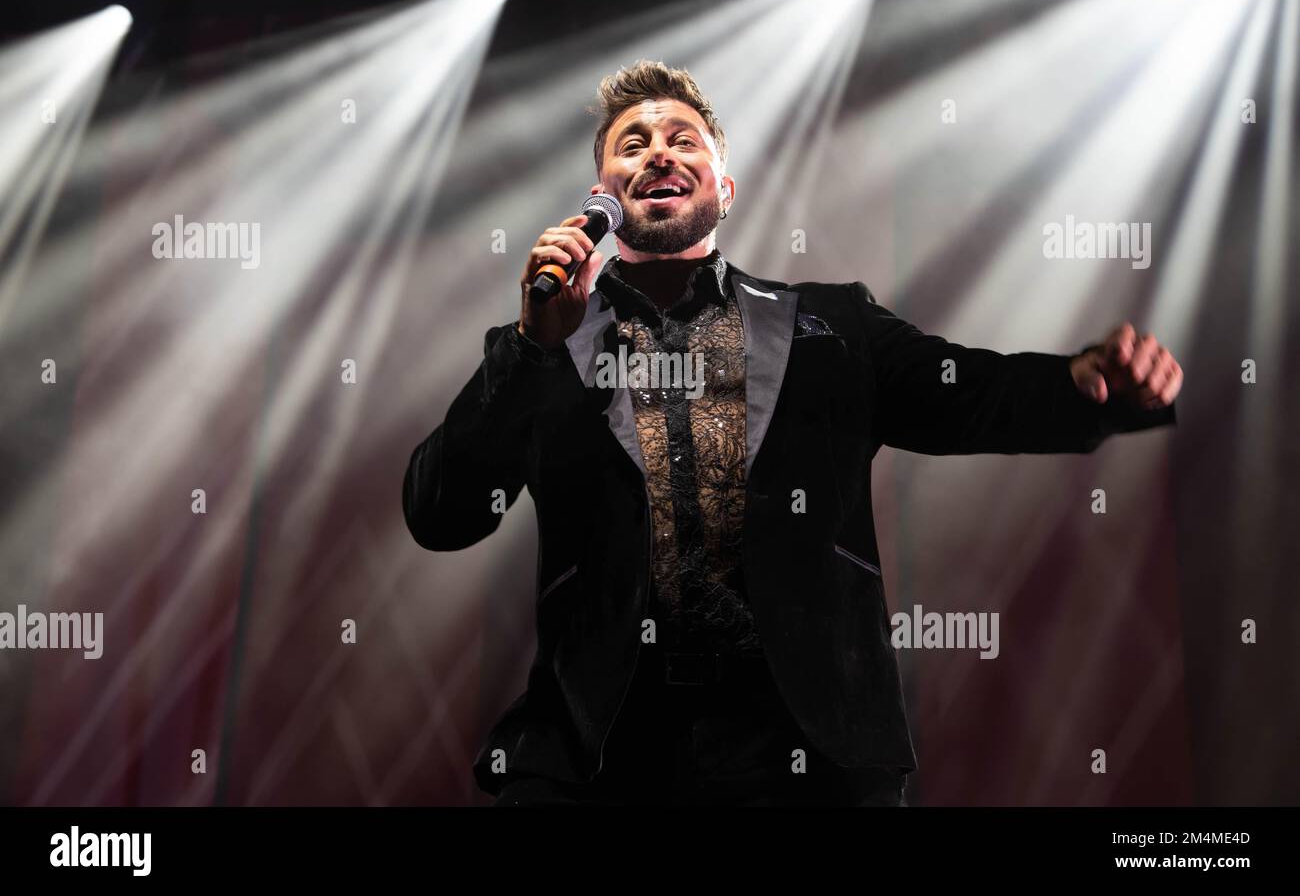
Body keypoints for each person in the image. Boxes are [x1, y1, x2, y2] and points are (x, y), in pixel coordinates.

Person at [402, 59, 1182, 806]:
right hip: (597, 760)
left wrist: (1085, 385)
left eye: (682, 140)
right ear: (600, 197)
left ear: (724, 188)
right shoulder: (545, 348)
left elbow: (970, 392)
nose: (658, 153)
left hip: (805, 759)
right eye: (632, 146)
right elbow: (441, 511)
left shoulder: (832, 326)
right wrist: (534, 346)